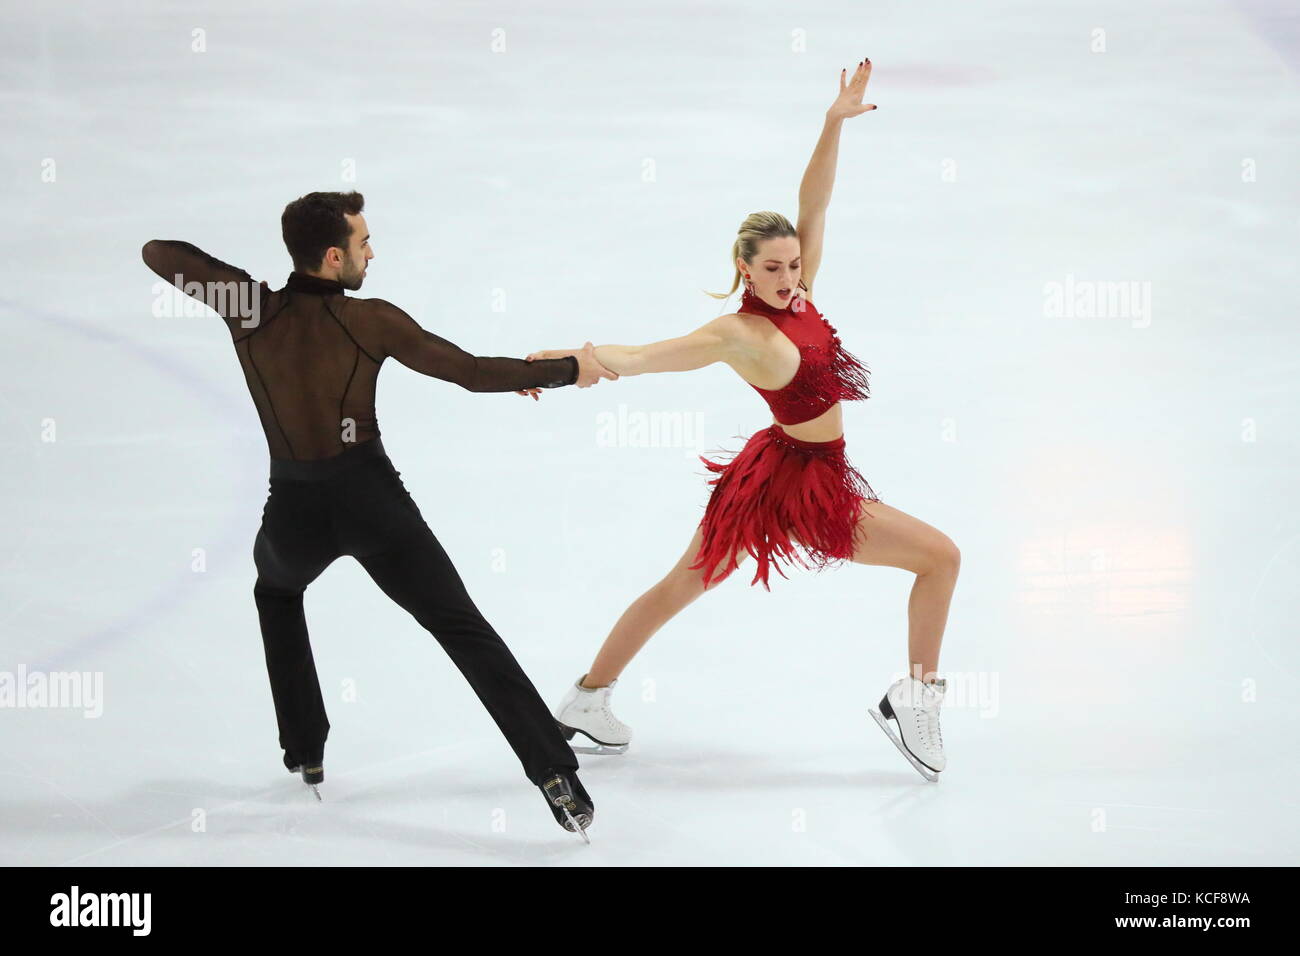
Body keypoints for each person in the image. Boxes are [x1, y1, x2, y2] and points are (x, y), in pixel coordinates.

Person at [526, 60, 960, 782]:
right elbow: (644, 357)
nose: (790, 278)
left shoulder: (802, 293)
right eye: (774, 269)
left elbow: (814, 202)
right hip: (801, 488)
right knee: (940, 558)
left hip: (774, 470)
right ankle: (915, 700)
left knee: (683, 583)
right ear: (745, 268)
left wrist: (832, 124)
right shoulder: (738, 334)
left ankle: (586, 699)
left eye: (794, 264)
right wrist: (572, 361)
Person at [141, 191, 613, 837]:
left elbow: (158, 253)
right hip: (374, 508)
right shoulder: (369, 320)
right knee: (462, 628)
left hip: (295, 514)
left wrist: (243, 288)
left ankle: (305, 748)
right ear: (334, 257)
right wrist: (567, 369)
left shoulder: (250, 309)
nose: (372, 252)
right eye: (362, 243)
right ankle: (555, 776)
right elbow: (472, 373)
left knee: (277, 592)